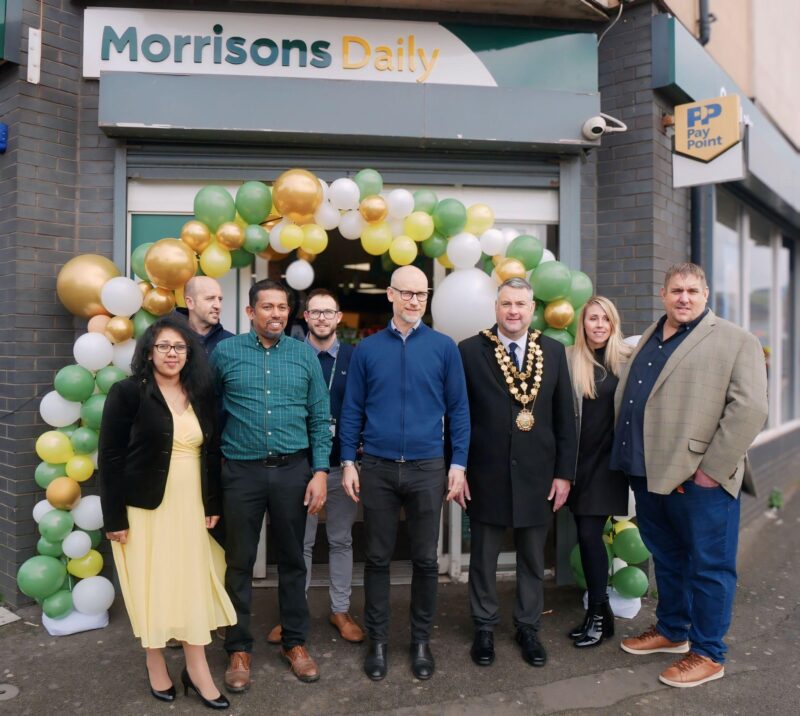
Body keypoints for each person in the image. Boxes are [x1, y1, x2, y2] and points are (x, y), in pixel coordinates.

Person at [611, 263, 768, 688]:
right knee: (669, 558)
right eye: (676, 290)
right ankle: (672, 631)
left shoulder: (736, 340)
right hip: (649, 474)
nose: (684, 298)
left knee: (709, 567)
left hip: (700, 479)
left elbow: (750, 409)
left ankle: (708, 653)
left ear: (706, 293)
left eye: (692, 290)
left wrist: (711, 472)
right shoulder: (650, 335)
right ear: (663, 294)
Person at [339, 265, 471, 682]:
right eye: (408, 293)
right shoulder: (367, 349)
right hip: (376, 467)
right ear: (391, 295)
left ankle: (419, 642)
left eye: (422, 294)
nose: (415, 300)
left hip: (427, 468)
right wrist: (347, 460)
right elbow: (351, 410)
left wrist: (459, 463)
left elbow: (460, 410)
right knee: (377, 559)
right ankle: (377, 642)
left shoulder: (444, 348)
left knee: (426, 561)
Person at [98, 315, 234, 710]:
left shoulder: (200, 392)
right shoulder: (128, 393)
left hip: (191, 507)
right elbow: (109, 457)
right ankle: (154, 659)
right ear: (149, 351)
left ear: (189, 353)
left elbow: (210, 453)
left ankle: (197, 668)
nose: (172, 354)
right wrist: (114, 519)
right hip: (144, 508)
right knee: (153, 584)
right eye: (163, 347)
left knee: (193, 583)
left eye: (180, 347)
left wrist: (212, 504)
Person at [210, 278, 331, 688]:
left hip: (292, 472)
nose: (276, 314)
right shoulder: (224, 353)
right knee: (239, 563)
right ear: (250, 312)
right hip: (240, 472)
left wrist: (319, 472)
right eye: (267, 307)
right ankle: (238, 648)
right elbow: (207, 415)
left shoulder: (303, 356)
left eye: (282, 307)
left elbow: (319, 418)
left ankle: (294, 642)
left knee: (294, 562)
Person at [457, 277, 576, 669]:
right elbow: (459, 417)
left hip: (539, 476)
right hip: (485, 473)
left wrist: (564, 475)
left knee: (531, 557)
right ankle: (485, 628)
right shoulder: (470, 351)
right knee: (483, 558)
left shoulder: (554, 352)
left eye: (521, 304)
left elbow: (565, 420)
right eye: (507, 303)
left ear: (532, 309)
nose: (513, 311)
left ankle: (528, 627)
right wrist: (458, 469)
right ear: (496, 307)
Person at [267, 289, 364, 645]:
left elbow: (364, 407)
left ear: (339, 318)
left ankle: (340, 609)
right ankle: (295, 614)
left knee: (340, 539)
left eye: (329, 312)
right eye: (315, 312)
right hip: (299, 466)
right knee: (299, 543)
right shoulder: (286, 355)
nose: (322, 318)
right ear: (304, 317)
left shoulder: (356, 358)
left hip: (343, 464)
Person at [565, 296, 632, 648]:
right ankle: (602, 617)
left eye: (606, 318)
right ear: (584, 324)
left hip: (607, 465)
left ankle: (597, 612)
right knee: (585, 534)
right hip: (578, 464)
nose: (599, 324)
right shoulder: (572, 360)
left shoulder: (626, 362)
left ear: (614, 323)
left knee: (590, 536)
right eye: (593, 318)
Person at [183, 276, 234, 355]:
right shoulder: (170, 339)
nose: (218, 306)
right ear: (190, 302)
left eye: (220, 299)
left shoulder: (231, 343)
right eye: (210, 298)